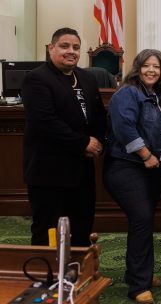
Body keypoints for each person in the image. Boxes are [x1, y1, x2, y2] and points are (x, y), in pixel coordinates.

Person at [22, 28, 106, 248]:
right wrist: (83, 143)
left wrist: (98, 142)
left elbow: (98, 116)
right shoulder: (36, 79)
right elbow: (45, 122)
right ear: (51, 48)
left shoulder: (86, 78)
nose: (71, 52)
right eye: (65, 46)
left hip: (81, 170)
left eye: (76, 47)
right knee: (48, 232)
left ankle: (76, 276)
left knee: (81, 227)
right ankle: (48, 278)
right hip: (49, 172)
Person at [104, 49, 161, 304]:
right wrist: (145, 154)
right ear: (137, 68)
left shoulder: (158, 95)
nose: (151, 70)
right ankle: (137, 286)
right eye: (146, 65)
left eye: (156, 66)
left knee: (143, 221)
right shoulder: (128, 92)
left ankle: (141, 273)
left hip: (152, 169)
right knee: (142, 218)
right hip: (126, 166)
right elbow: (124, 128)